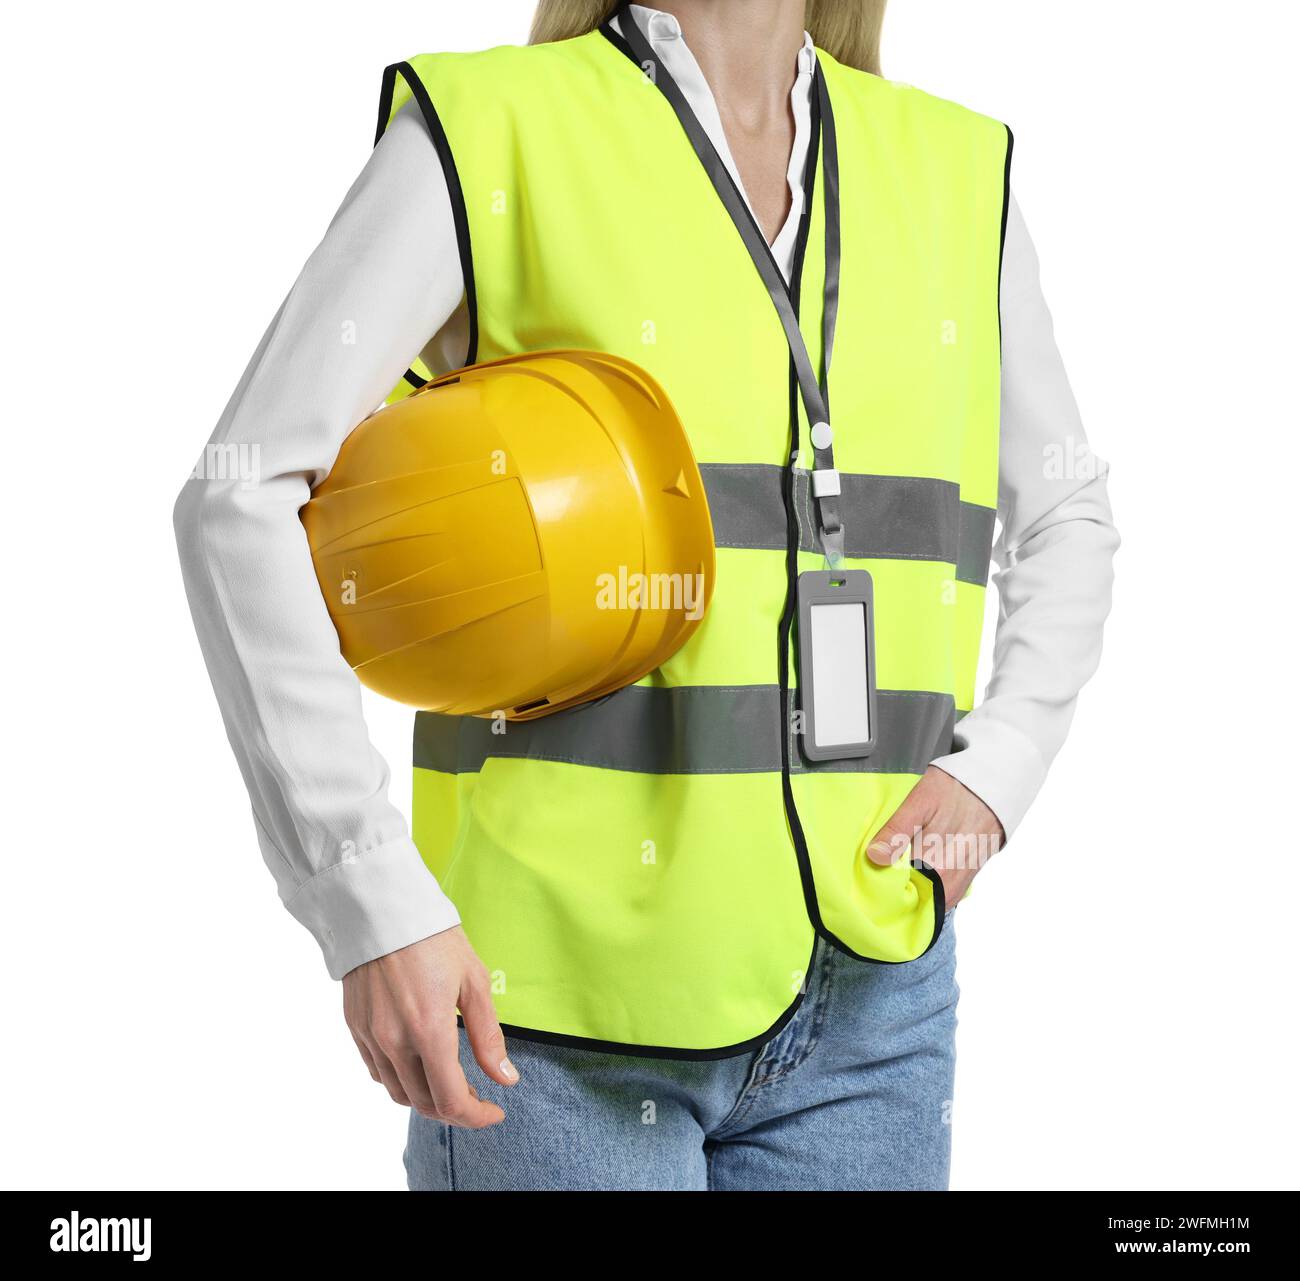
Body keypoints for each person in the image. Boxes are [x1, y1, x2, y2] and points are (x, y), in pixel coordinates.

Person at [174, 0, 1118, 1191]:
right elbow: (238, 495)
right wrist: (368, 899)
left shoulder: (956, 165)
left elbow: (1067, 512)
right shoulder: (491, 128)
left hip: (871, 990)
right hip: (552, 1011)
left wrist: (999, 767)